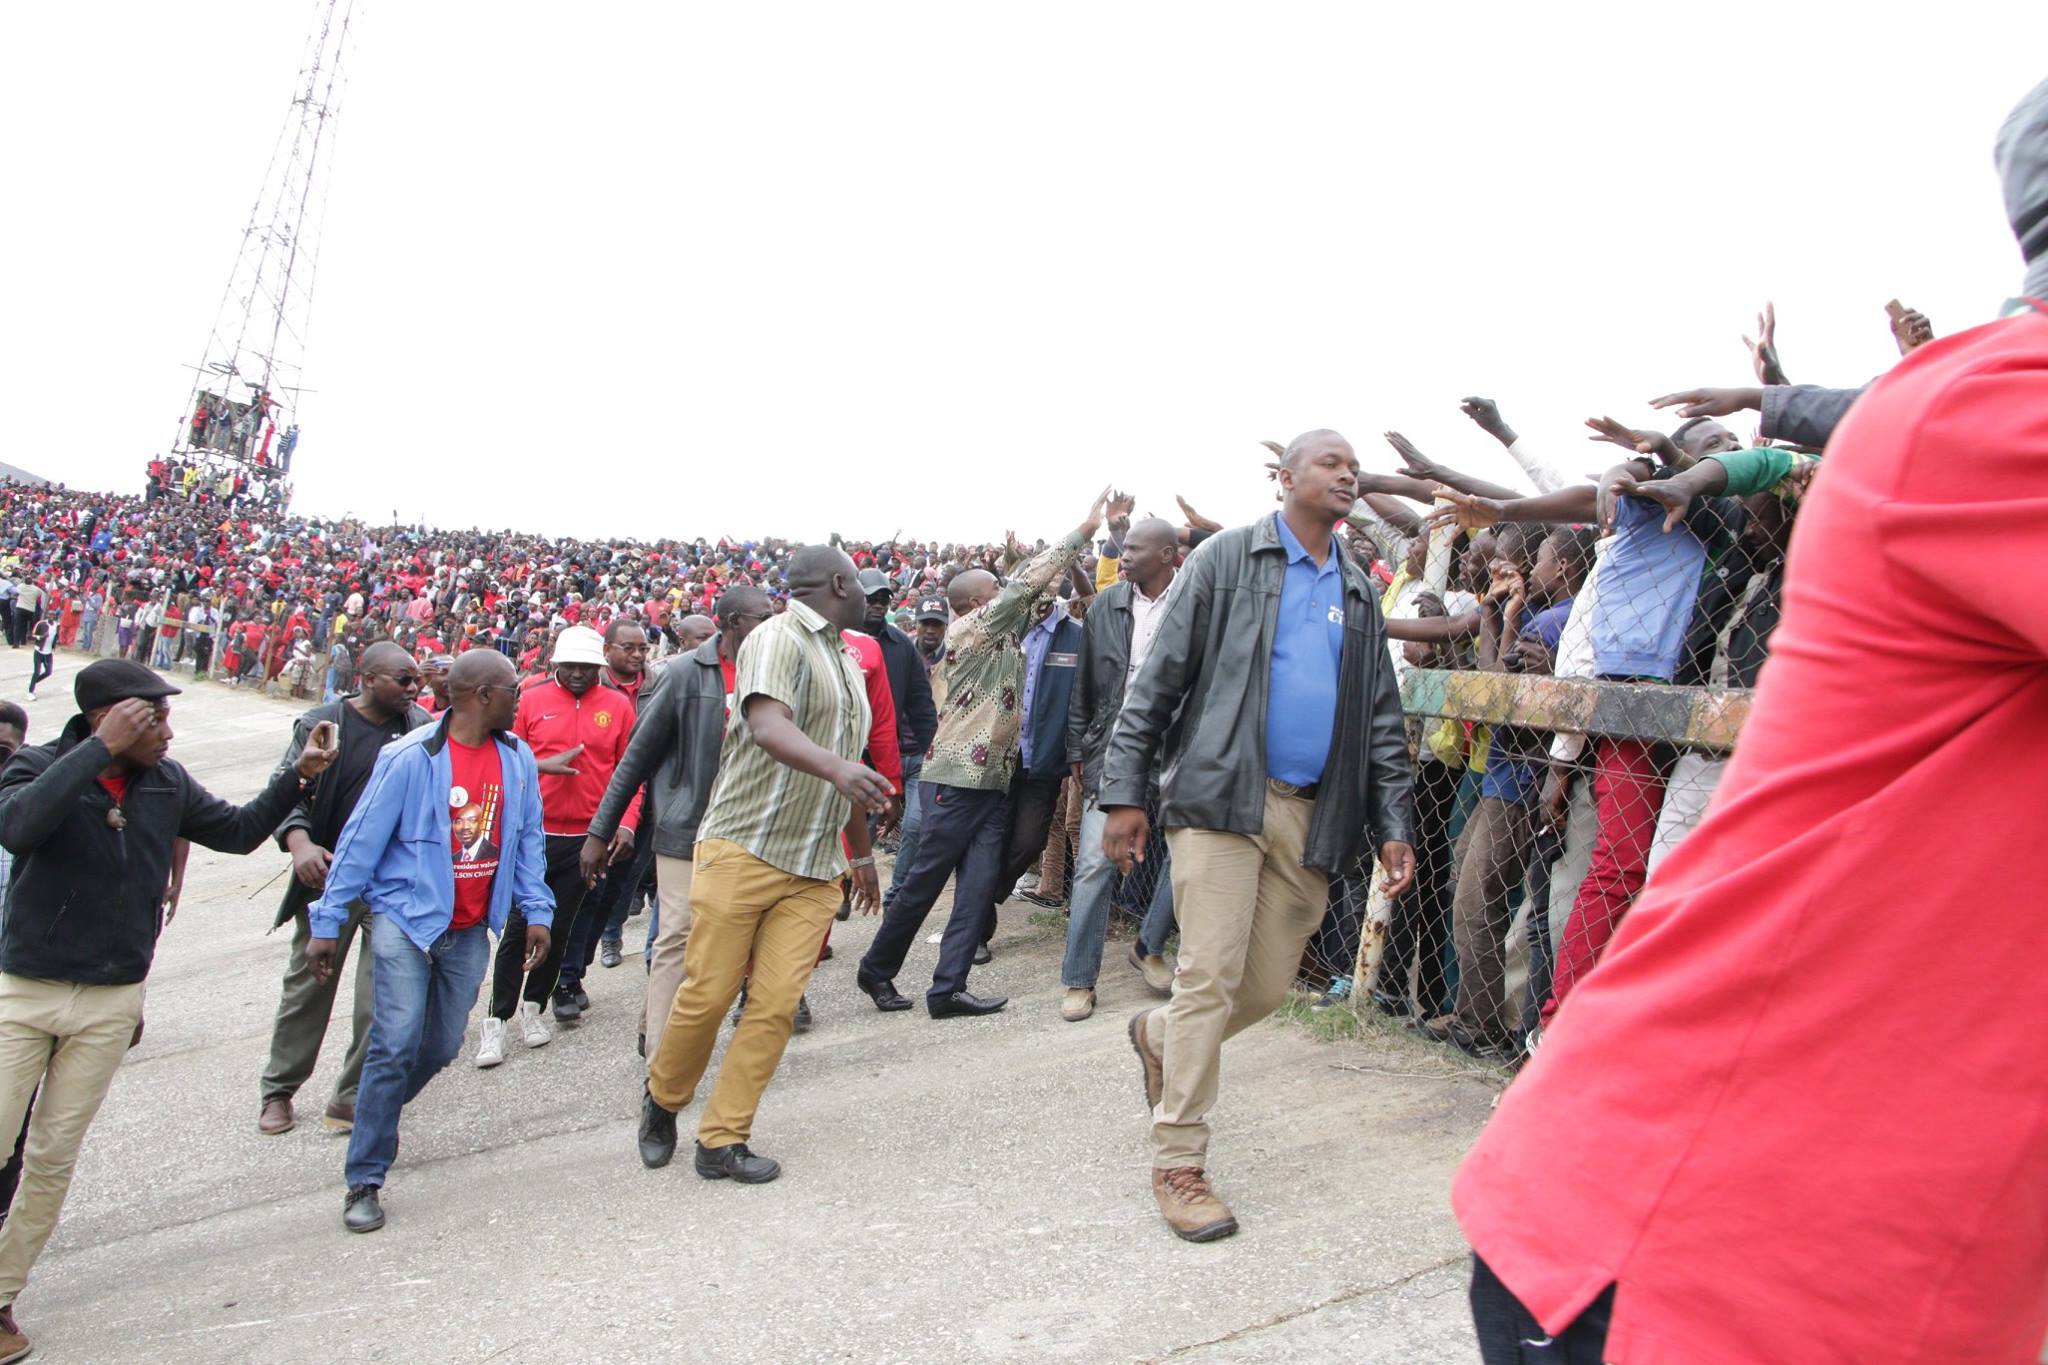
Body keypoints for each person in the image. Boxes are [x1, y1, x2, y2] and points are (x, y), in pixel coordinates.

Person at [1453, 80, 2048, 1365]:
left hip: (1872, 1256)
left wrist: (1771, 398)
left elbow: (1764, 469)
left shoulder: (1908, 433)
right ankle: (1521, 1018)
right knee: (1578, 891)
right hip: (1722, 1267)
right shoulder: (1988, 417)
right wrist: (1744, 417)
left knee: (1604, 885)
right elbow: (1707, 476)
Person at [1101, 432, 1414, 1242]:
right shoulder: (1227, 560)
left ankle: (1160, 1038)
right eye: (1330, 462)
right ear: (1285, 478)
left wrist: (1393, 823)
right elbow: (1159, 678)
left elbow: (1381, 716)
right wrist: (1124, 791)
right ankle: (1179, 1161)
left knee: (1268, 986)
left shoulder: (1357, 584)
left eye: (1355, 466)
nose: (1348, 474)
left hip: (1313, 813)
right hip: (1219, 799)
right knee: (1208, 974)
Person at [0, 659, 337, 1350]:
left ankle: (2, 1297)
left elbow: (239, 831)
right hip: (25, 988)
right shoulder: (37, 763)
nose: (168, 730)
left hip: (110, 998)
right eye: (152, 717)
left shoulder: (166, 781)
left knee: (53, 1155)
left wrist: (298, 775)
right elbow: (19, 828)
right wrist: (97, 751)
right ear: (107, 718)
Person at [635, 546, 889, 1184]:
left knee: (773, 1006)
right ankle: (664, 1099)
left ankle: (722, 1137)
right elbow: (768, 723)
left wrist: (859, 855)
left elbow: (850, 767)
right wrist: (838, 768)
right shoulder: (777, 638)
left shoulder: (848, 660)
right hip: (743, 846)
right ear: (838, 583)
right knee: (710, 994)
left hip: (812, 861)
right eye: (858, 584)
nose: (866, 594)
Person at [307, 649, 554, 1233]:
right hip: (405, 922)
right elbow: (359, 844)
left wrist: (538, 909)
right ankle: (364, 1177)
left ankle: (377, 1108)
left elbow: (526, 838)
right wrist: (326, 922)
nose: (521, 697)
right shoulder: (409, 758)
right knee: (393, 1044)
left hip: (469, 929)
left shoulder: (516, 758)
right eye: (513, 689)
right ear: (484, 696)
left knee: (442, 1045)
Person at [857, 490, 1109, 1019]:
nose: (1005, 594)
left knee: (974, 890)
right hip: (956, 779)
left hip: (992, 780)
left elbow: (1038, 598)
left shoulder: (1001, 633)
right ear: (978, 605)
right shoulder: (971, 630)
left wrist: (1020, 563)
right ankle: (876, 970)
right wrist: (1082, 532)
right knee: (925, 882)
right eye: (995, 589)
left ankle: (947, 989)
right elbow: (1025, 592)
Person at [587, 587, 772, 1059]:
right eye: (760, 617)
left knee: (735, 935)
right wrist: (600, 831)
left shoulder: (775, 670)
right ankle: (660, 1057)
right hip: (688, 826)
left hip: (751, 827)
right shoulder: (683, 674)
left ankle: (660, 1020)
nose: (771, 625)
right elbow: (635, 759)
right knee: (677, 934)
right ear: (732, 621)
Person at [258, 643, 432, 1135]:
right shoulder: (323, 724)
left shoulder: (419, 726)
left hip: (394, 882)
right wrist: (300, 846)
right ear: (368, 678)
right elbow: (285, 791)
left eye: (417, 680)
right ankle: (279, 1088)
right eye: (404, 680)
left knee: (381, 993)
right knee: (309, 986)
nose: (414, 688)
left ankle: (354, 1093)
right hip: (329, 876)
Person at [479, 625, 638, 1062]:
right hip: (535, 836)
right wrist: (543, 766)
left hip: (587, 839)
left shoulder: (619, 706)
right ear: (555, 665)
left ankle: (535, 1008)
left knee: (561, 928)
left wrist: (621, 824)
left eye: (587, 668)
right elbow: (506, 762)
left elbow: (629, 773)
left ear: (599, 668)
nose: (578, 676)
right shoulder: (529, 701)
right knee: (519, 927)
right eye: (569, 667)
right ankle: (496, 1019)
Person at [1058, 514, 1180, 1020]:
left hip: (1174, 749)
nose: (1123, 555)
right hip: (1112, 748)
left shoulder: (1192, 603)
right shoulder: (1107, 604)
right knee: (1094, 863)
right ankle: (1079, 981)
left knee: (1189, 854)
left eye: (1134, 548)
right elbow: (1084, 684)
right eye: (1122, 548)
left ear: (1168, 555)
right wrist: (1077, 749)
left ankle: (1148, 946)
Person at [563, 618, 656, 979]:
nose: (637, 655)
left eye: (642, 649)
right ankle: (583, 957)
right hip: (599, 806)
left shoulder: (659, 684)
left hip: (645, 802)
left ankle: (609, 934)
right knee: (590, 888)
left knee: (623, 881)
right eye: (628, 648)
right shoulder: (588, 684)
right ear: (607, 651)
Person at [24, 622, 53, 701]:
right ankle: (30, 692)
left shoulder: (56, 625)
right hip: (38, 652)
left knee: (48, 672)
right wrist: (41, 637)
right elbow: (30, 636)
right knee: (37, 672)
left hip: (48, 653)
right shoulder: (41, 624)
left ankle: (33, 682)